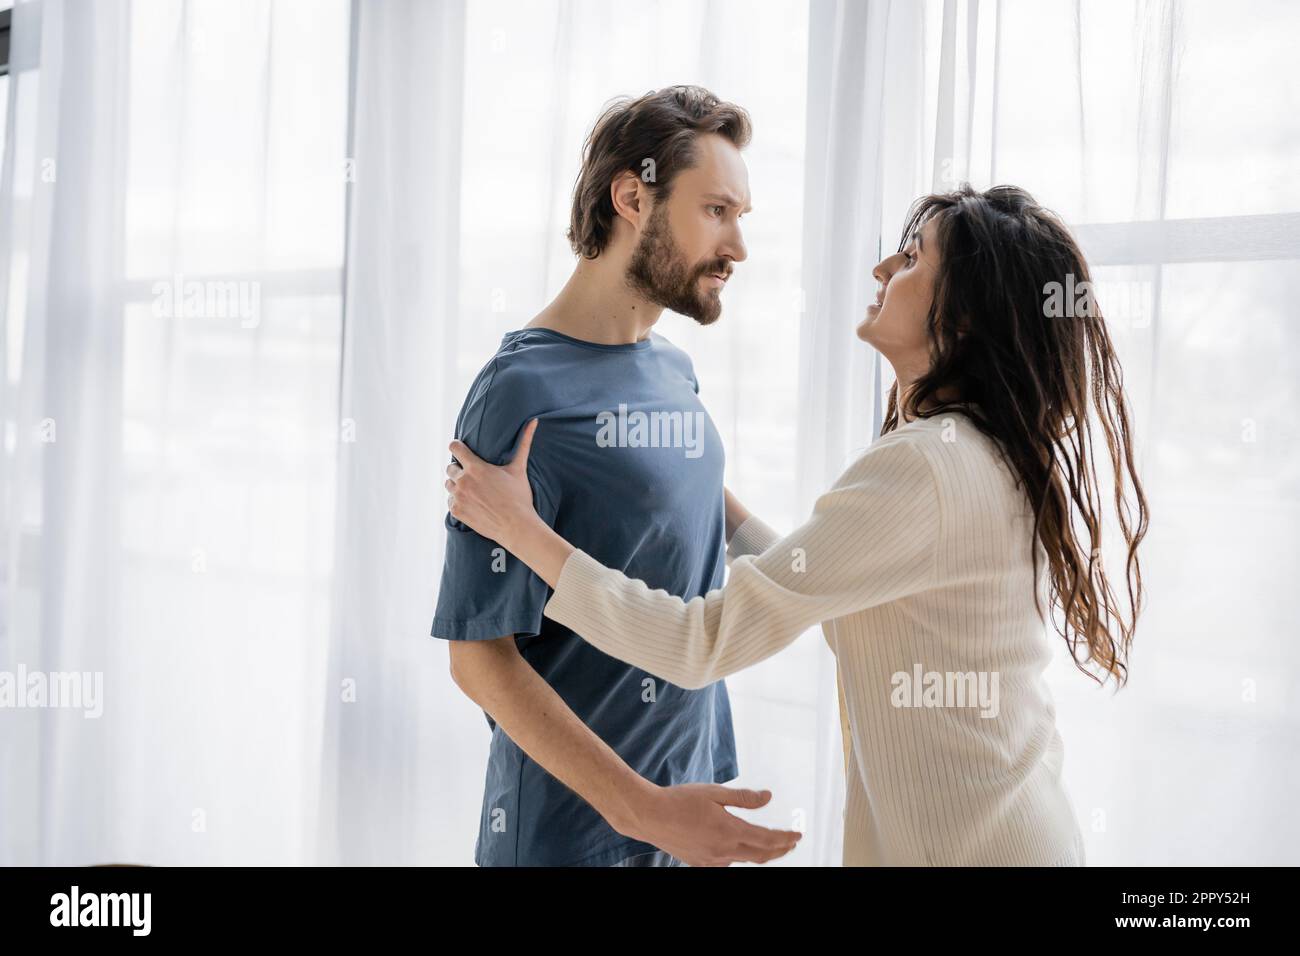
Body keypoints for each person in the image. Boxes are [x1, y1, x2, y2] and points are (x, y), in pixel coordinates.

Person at [445, 184, 1150, 866]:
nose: (882, 267)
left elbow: (703, 641)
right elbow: (831, 592)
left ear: (963, 320)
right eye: (715, 209)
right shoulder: (973, 452)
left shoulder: (925, 468)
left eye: (911, 260)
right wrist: (682, 482)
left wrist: (521, 529)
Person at [431, 85, 801, 867]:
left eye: (741, 219)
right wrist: (644, 812)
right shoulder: (519, 392)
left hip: (690, 810)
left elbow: (692, 509)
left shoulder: (673, 372)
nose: (738, 248)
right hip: (577, 840)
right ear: (632, 196)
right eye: (717, 212)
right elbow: (478, 656)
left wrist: (837, 572)